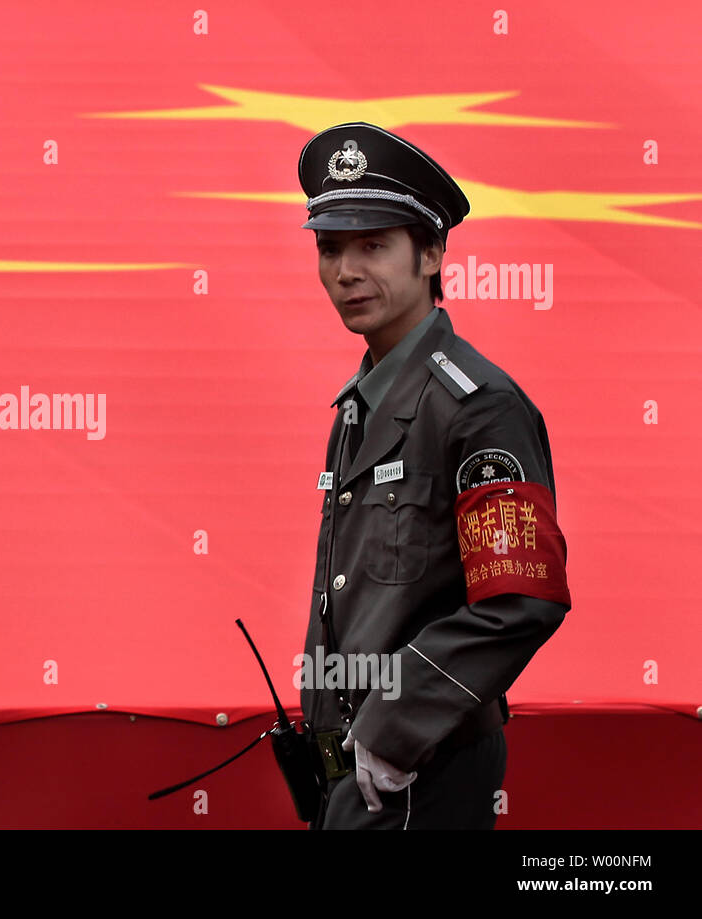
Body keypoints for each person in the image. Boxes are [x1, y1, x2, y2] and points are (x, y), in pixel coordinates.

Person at [296, 122, 573, 829]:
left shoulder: (478, 408)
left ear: (432, 253)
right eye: (331, 249)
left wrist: (394, 728)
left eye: (373, 245)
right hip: (358, 776)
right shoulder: (358, 406)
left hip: (421, 768)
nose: (346, 271)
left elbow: (520, 601)